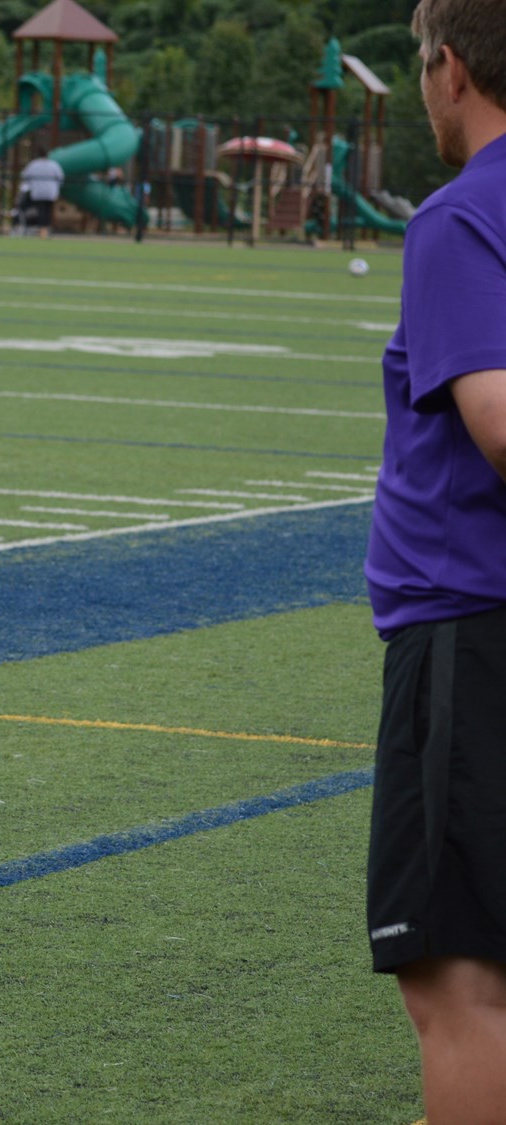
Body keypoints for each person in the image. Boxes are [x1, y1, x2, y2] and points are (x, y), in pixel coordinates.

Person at [364, 2, 506, 1121]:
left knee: (461, 987)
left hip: (471, 623)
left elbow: (499, 423)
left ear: (450, 69)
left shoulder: (463, 214)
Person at [16, 146, 64, 237]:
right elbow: (60, 178)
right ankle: (45, 230)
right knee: (47, 211)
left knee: (41, 210)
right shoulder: (53, 165)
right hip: (50, 192)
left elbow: (25, 176)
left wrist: (29, 186)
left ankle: (43, 230)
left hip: (38, 192)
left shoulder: (33, 164)